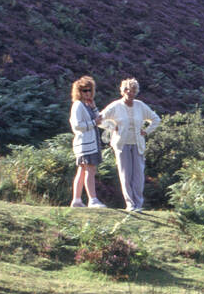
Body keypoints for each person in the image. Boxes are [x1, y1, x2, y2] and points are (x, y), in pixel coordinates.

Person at [99, 78, 160, 212]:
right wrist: (111, 126)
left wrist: (146, 131)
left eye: (133, 90)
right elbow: (99, 118)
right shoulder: (115, 106)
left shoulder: (140, 105)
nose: (130, 93)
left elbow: (156, 119)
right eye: (127, 90)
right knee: (125, 175)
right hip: (122, 144)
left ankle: (138, 204)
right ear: (123, 90)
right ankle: (130, 204)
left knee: (138, 175)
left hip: (137, 144)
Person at [68, 76, 106, 208]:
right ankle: (93, 199)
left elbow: (99, 119)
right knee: (90, 169)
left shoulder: (87, 105)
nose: (88, 93)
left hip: (89, 143)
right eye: (84, 91)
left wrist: (94, 109)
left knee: (82, 170)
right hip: (85, 143)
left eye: (89, 90)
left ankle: (77, 200)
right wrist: (92, 123)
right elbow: (77, 126)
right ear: (78, 91)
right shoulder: (78, 105)